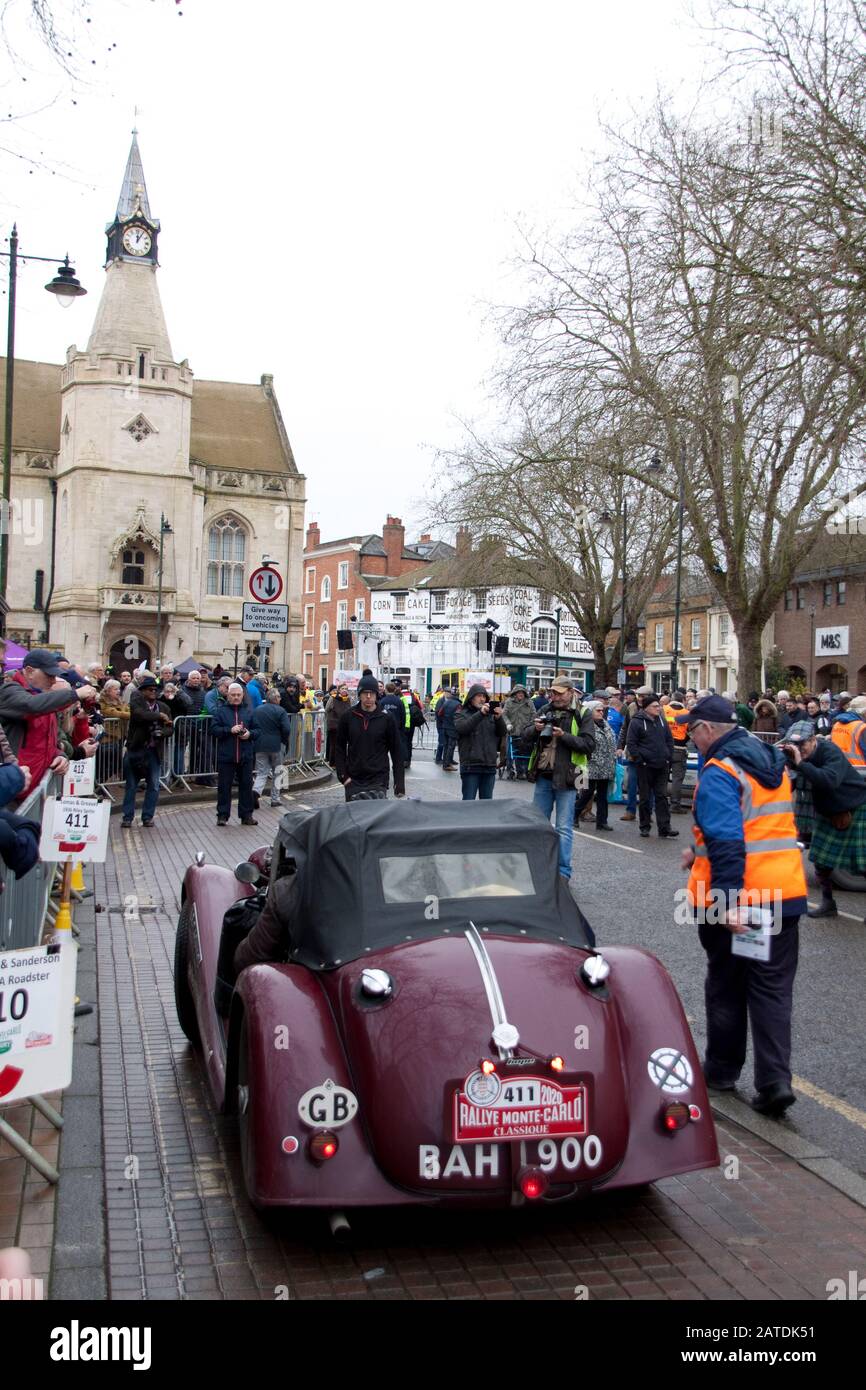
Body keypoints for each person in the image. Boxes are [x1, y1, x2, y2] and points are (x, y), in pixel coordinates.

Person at [679, 695, 807, 1117]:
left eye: (692, 731)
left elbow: (730, 842)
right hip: (783, 895)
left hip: (743, 903)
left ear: (709, 730)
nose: (691, 741)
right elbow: (759, 828)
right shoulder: (770, 762)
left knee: (728, 986)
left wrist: (728, 903)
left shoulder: (720, 771)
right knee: (771, 991)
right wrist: (696, 853)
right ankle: (775, 1083)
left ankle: (720, 1071)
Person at [781, 720, 866, 919]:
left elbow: (829, 780)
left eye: (802, 745)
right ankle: (828, 903)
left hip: (855, 807)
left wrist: (801, 763)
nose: (799, 750)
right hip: (827, 811)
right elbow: (791, 784)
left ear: (812, 740)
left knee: (862, 865)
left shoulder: (830, 752)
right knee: (821, 862)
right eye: (795, 746)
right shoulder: (796, 757)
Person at [524, 675, 595, 881]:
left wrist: (563, 735)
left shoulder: (583, 713)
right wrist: (535, 729)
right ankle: (538, 867)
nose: (554, 696)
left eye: (558, 693)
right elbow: (524, 735)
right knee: (538, 825)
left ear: (570, 692)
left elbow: (589, 744)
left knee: (563, 828)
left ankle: (563, 872)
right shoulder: (545, 710)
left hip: (569, 776)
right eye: (552, 693)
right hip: (544, 775)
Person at [0, 649, 81, 795]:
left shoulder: (42, 698)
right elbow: (31, 705)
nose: (53, 680)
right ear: (29, 671)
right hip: (13, 790)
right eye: (49, 675)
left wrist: (59, 755)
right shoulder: (10, 690)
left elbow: (49, 741)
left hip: (34, 790)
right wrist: (75, 694)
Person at [334, 672, 405, 800]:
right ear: (359, 694)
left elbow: (397, 751)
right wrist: (342, 775)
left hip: (378, 780)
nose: (368, 697)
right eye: (364, 693)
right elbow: (339, 747)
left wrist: (399, 782)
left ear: (376, 695)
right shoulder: (348, 716)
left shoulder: (387, 717)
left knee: (377, 819)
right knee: (355, 819)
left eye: (371, 693)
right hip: (354, 780)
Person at [121, 675, 172, 828]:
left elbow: (170, 727)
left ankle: (147, 817)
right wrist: (159, 716)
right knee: (131, 785)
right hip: (135, 749)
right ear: (142, 691)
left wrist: (162, 733)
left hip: (153, 751)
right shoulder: (137, 704)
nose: (153, 692)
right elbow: (140, 716)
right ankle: (127, 817)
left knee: (154, 786)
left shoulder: (164, 707)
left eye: (155, 690)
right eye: (150, 689)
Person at [627, 695, 678, 838]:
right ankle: (644, 826)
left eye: (659, 706)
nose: (658, 708)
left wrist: (668, 756)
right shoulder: (636, 722)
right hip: (645, 766)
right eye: (655, 706)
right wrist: (640, 760)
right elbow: (631, 743)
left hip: (662, 765)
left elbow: (669, 739)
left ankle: (664, 828)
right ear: (646, 708)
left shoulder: (662, 720)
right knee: (644, 798)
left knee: (661, 797)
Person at [212, 683, 260, 826]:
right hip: (226, 755)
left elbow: (258, 731)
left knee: (246, 786)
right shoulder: (221, 711)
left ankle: (246, 815)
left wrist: (249, 734)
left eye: (238, 695)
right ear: (228, 695)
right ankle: (222, 815)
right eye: (233, 695)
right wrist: (229, 730)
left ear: (242, 695)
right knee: (224, 787)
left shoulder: (249, 712)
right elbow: (214, 729)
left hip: (245, 755)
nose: (236, 697)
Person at [453, 684, 507, 799]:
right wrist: (480, 714)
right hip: (470, 766)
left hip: (489, 765)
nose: (482, 699)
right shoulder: (461, 713)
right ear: (471, 698)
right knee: (469, 803)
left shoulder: (491, 715)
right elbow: (463, 728)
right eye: (478, 696)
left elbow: (502, 733)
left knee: (487, 805)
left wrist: (499, 719)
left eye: (484, 696)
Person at [573, 700, 617, 830]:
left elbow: (612, 740)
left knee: (603, 795)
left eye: (602, 710)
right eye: (598, 710)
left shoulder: (605, 724)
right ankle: (574, 815)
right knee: (587, 793)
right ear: (590, 711)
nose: (601, 712)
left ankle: (602, 822)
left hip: (605, 766)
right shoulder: (585, 725)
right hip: (589, 765)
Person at [250, 688, 292, 807]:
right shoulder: (281, 711)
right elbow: (287, 729)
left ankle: (256, 791)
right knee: (278, 772)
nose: (280, 699)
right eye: (279, 697)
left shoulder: (257, 710)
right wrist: (284, 740)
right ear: (275, 699)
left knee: (262, 772)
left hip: (259, 745)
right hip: (277, 745)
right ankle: (275, 799)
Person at [501, 684, 536, 777]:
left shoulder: (529, 703)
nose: (520, 694)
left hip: (526, 732)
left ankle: (523, 771)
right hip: (512, 731)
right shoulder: (509, 702)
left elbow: (534, 715)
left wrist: (530, 725)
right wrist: (508, 723)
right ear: (515, 693)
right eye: (518, 692)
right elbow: (504, 714)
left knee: (524, 752)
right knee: (510, 752)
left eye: (522, 692)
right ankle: (510, 769)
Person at [663, 694, 690, 813]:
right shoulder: (687, 713)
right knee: (677, 779)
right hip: (680, 748)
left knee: (662, 777)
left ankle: (660, 803)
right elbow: (690, 732)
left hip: (664, 747)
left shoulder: (663, 710)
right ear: (683, 700)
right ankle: (675, 805)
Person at [829, 694, 866, 770]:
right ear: (864, 712)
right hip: (860, 772)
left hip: (839, 770)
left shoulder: (837, 724)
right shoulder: (862, 728)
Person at [324, 684, 351, 766]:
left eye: (346, 689)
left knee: (343, 744)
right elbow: (327, 709)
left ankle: (342, 761)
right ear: (339, 690)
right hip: (334, 725)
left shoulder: (348, 699)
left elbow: (349, 710)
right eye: (342, 688)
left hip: (344, 725)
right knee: (334, 744)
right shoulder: (333, 698)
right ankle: (333, 762)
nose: (344, 690)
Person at [440, 687, 462, 771]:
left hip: (445, 726)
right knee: (451, 747)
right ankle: (447, 764)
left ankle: (445, 763)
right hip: (453, 728)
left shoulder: (446, 702)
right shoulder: (458, 705)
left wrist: (445, 720)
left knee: (446, 746)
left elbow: (440, 713)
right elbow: (459, 717)